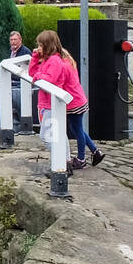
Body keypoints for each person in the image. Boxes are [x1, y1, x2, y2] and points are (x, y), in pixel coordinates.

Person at [29, 29, 103, 170]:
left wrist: (38, 75)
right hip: (74, 100)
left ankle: (80, 159)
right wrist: (36, 64)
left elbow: (51, 79)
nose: (38, 48)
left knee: (76, 130)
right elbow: (37, 73)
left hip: (73, 101)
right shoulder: (62, 60)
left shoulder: (57, 62)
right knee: (75, 129)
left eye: (40, 45)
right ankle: (95, 151)